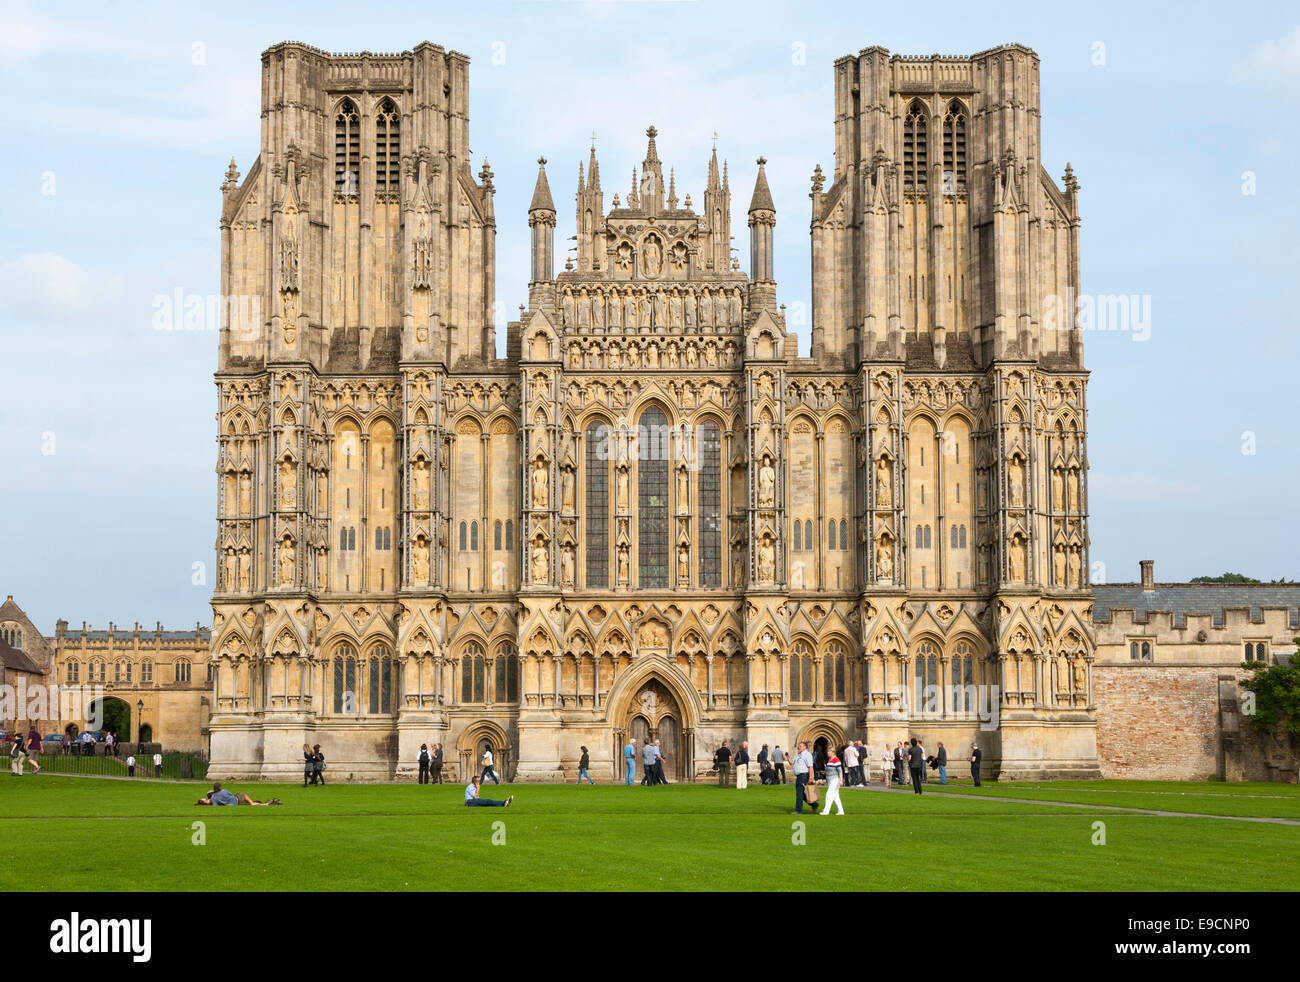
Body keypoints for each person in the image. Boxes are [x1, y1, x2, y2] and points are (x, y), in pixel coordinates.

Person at [196, 781, 281, 806]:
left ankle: (269, 803)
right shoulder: (223, 792)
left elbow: (209, 793)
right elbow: (230, 794)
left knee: (256, 802)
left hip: (235, 803)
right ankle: (268, 803)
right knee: (247, 798)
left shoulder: (213, 797)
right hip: (236, 799)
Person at [792, 741, 815, 814]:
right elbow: (792, 763)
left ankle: (798, 810)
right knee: (801, 793)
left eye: (800, 746)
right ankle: (814, 804)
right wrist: (787, 756)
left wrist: (811, 778)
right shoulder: (798, 755)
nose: (798, 747)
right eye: (798, 746)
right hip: (799, 776)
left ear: (805, 747)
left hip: (804, 775)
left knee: (799, 793)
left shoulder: (807, 755)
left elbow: (810, 767)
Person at [820, 748, 845, 816]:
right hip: (830, 779)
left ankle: (826, 811)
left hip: (835, 779)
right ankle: (841, 811)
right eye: (827, 751)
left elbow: (840, 771)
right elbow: (830, 770)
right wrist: (824, 772)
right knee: (835, 796)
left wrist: (841, 780)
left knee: (829, 794)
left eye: (829, 751)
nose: (828, 752)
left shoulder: (836, 760)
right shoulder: (829, 760)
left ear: (833, 752)